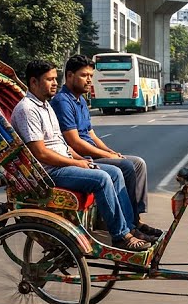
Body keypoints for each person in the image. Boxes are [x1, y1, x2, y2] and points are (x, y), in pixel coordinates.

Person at [10, 59, 151, 251]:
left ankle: (129, 228)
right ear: (34, 82)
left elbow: (63, 145)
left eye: (54, 79)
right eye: (49, 80)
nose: (54, 84)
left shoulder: (46, 106)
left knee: (116, 173)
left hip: (64, 163)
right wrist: (75, 164)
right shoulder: (27, 109)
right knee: (102, 178)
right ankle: (120, 236)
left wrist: (80, 159)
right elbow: (40, 153)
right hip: (49, 171)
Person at [52, 54, 162, 242]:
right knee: (125, 167)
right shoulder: (63, 101)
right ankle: (126, 228)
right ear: (70, 76)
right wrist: (106, 155)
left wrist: (110, 152)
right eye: (84, 75)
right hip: (80, 156)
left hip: (90, 152)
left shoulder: (80, 100)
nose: (89, 80)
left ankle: (135, 219)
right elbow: (75, 142)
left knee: (138, 164)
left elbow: (91, 134)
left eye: (90, 75)